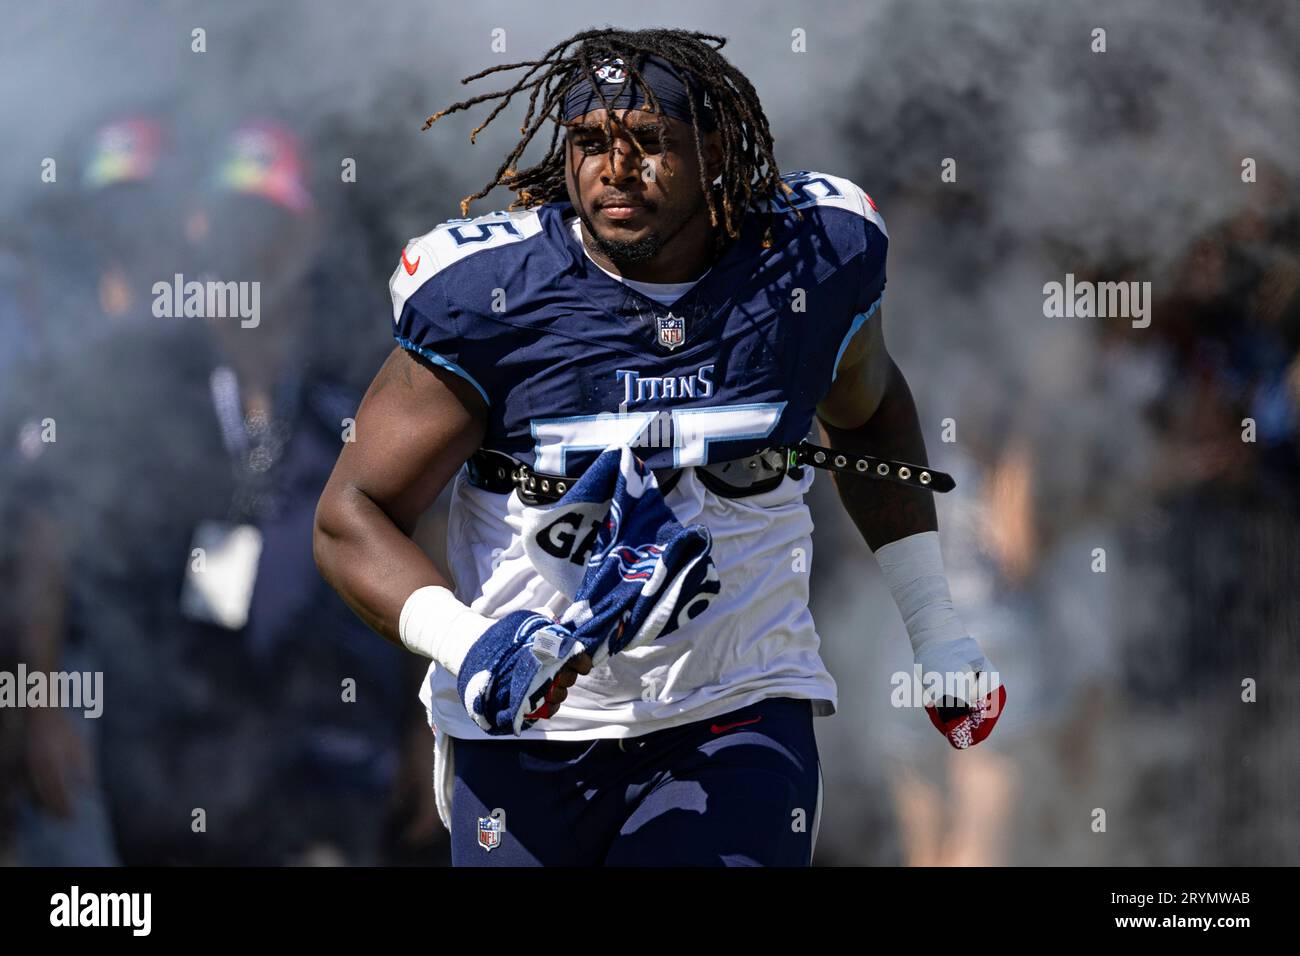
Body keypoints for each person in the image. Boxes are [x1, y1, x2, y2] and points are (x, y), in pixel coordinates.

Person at [314, 27, 1005, 867]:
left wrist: (934, 624)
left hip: (736, 700)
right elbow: (351, 515)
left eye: (649, 142)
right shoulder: (489, 301)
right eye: (591, 142)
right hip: (532, 727)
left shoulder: (811, 260)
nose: (615, 168)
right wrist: (470, 644)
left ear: (716, 150)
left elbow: (867, 411)